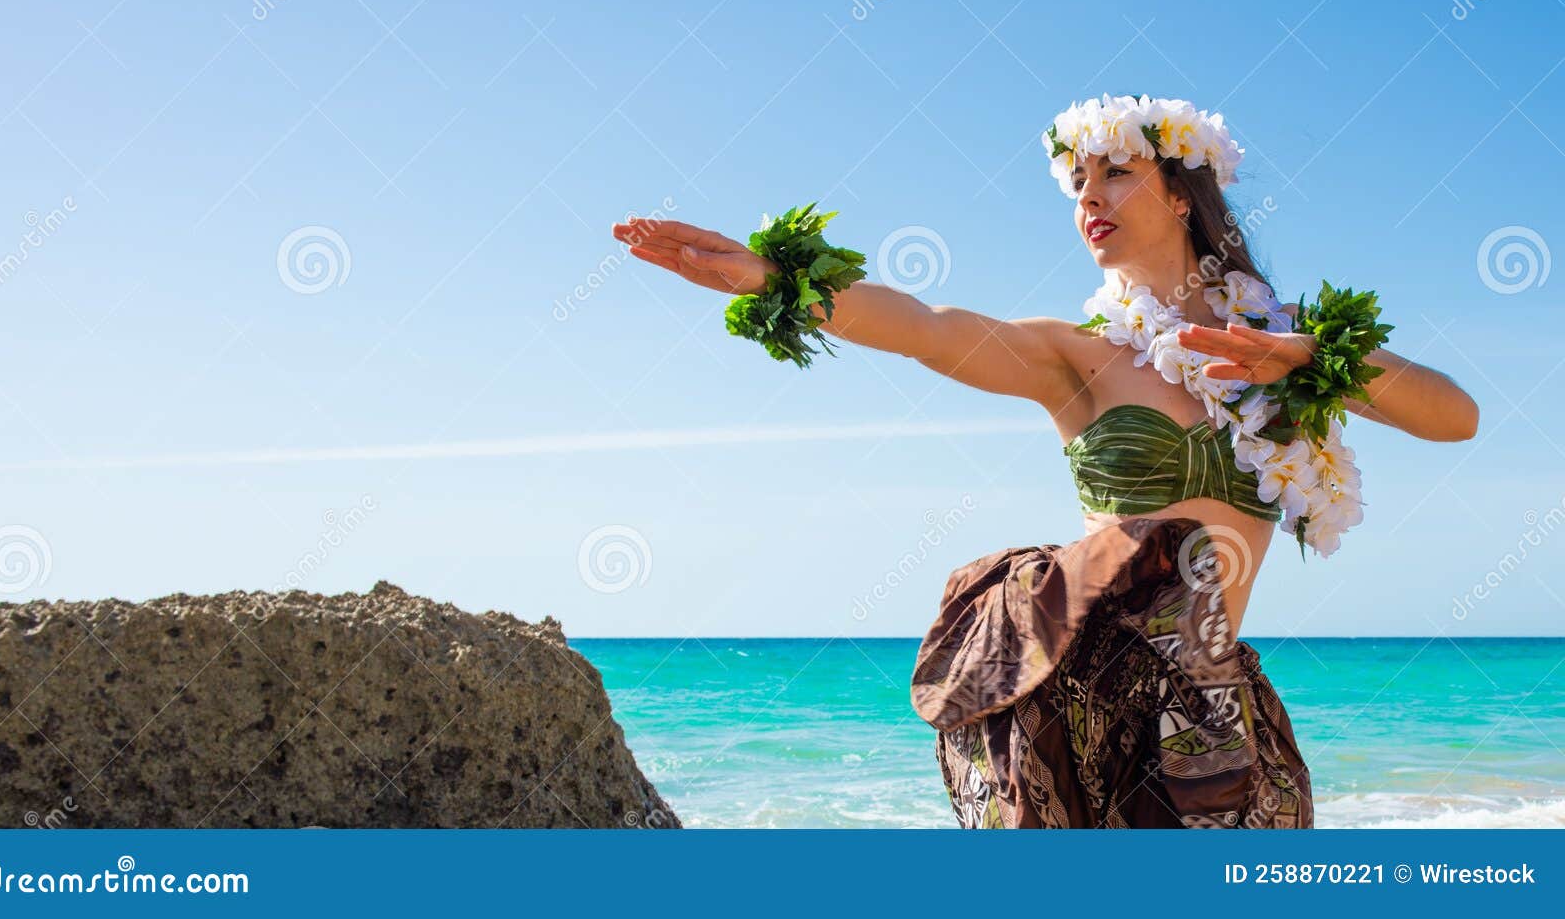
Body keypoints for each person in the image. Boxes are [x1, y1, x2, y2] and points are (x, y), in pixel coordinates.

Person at [609, 94, 1479, 828]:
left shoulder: (1283, 350)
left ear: (1182, 194)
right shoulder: (1078, 355)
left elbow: (1456, 417)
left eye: (1115, 172)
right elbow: (926, 327)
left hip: (1212, 707)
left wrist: (1308, 358)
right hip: (1084, 701)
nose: (1087, 196)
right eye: (1076, 182)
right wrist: (775, 280)